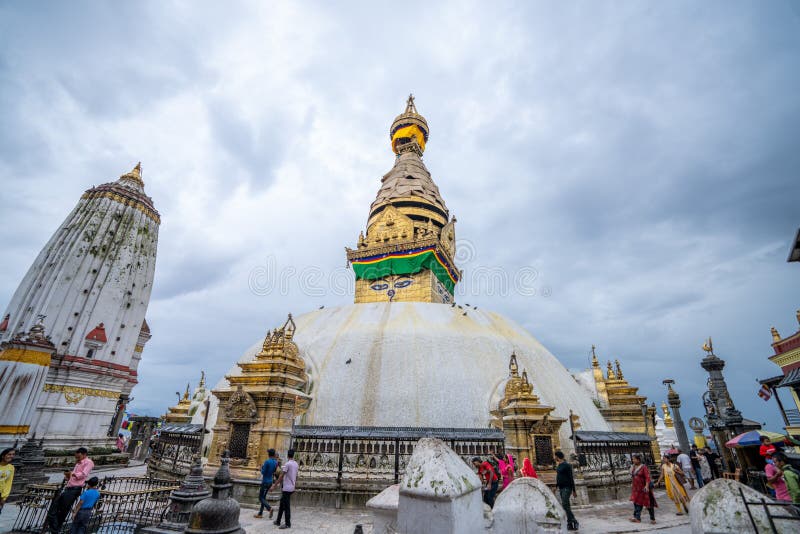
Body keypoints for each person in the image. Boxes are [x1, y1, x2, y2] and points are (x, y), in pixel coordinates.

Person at [46, 447, 94, 533]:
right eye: (76, 457)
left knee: (63, 510)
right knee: (54, 509)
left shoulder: (89, 462)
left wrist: (72, 474)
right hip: (69, 487)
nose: (77, 459)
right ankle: (55, 528)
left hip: (74, 489)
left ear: (84, 455)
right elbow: (74, 476)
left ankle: (56, 529)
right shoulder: (78, 463)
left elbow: (83, 474)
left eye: (78, 457)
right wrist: (68, 476)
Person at [271, 448, 298, 530]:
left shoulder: (287, 464)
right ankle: (278, 520)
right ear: (293, 455)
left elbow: (281, 476)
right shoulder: (296, 464)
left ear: (288, 455)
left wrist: (274, 485)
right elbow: (297, 476)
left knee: (286, 506)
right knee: (282, 504)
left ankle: (287, 523)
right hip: (291, 487)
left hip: (287, 488)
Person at [629, 454, 657, 524]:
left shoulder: (643, 467)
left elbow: (647, 477)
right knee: (636, 503)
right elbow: (633, 476)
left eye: (634, 459)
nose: (633, 460)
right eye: (633, 459)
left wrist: (647, 486)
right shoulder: (633, 467)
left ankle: (652, 519)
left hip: (644, 488)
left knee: (649, 503)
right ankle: (637, 518)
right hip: (636, 489)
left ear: (638, 460)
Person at [555, 451, 579, 531]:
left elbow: (571, 478)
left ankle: (574, 520)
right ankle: (570, 523)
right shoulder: (559, 465)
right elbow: (558, 477)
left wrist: (574, 490)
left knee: (565, 504)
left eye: (555, 456)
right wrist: (556, 486)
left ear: (558, 457)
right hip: (561, 488)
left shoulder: (567, 465)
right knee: (566, 506)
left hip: (567, 487)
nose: (554, 458)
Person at [254, 448, 278, 519]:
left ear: (268, 454)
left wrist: (260, 468)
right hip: (270, 481)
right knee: (263, 497)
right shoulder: (275, 462)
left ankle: (269, 508)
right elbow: (274, 472)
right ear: (274, 454)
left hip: (265, 482)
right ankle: (260, 513)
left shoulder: (267, 462)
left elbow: (263, 472)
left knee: (260, 498)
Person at [0, 448, 15, 516]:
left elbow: (8, 483)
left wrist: (4, 497)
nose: (11, 456)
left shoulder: (11, 468)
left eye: (13, 454)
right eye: (9, 454)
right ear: (3, 456)